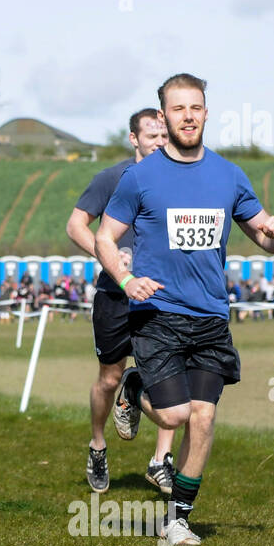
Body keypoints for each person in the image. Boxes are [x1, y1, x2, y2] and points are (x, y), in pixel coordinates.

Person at [96, 73, 274, 546]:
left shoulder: (228, 175)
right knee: (175, 416)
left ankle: (177, 521)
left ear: (205, 112)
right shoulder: (140, 177)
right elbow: (104, 237)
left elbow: (262, 235)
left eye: (196, 108)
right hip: (157, 311)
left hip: (210, 317)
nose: (188, 116)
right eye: (178, 109)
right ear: (163, 117)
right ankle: (135, 380)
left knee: (204, 417)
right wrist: (125, 279)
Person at [66, 107, 178, 494]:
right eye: (152, 137)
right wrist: (108, 257)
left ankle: (161, 460)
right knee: (109, 377)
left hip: (162, 296)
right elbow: (76, 225)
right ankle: (98, 445)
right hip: (115, 295)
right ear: (134, 139)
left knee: (168, 378)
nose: (161, 143)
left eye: (165, 136)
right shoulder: (112, 177)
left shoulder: (179, 181)